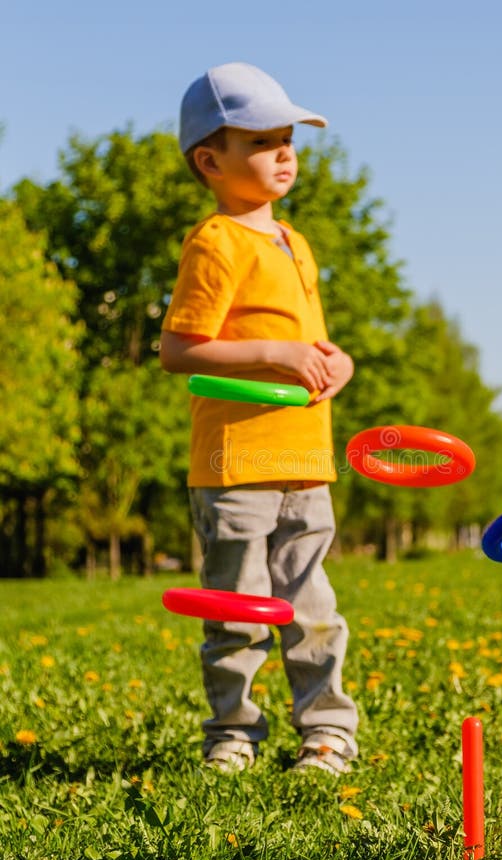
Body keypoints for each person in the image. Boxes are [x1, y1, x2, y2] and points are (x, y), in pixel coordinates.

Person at [160, 62, 358, 775]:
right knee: (236, 612)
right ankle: (232, 733)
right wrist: (272, 350)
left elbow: (312, 343)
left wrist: (336, 365)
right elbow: (179, 349)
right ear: (211, 161)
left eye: (287, 139)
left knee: (313, 607)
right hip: (235, 465)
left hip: (305, 458)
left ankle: (327, 733)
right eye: (264, 142)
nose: (285, 154)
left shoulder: (294, 243)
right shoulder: (216, 242)